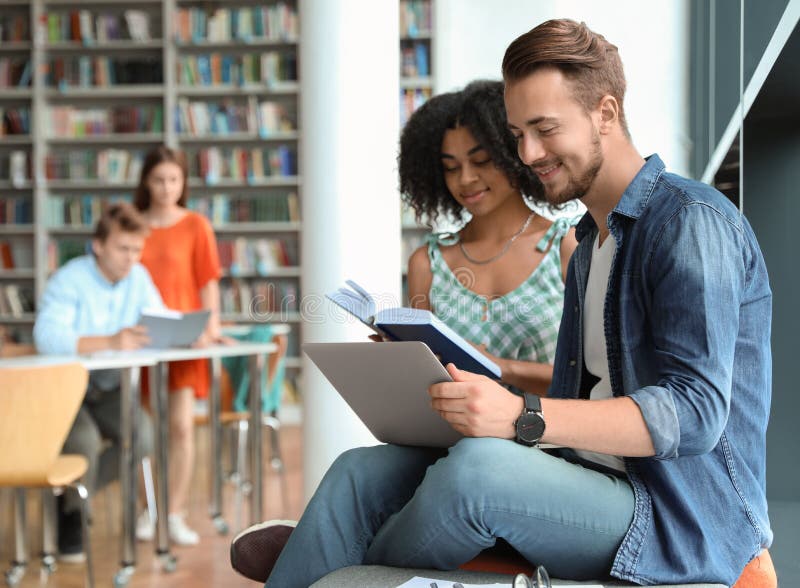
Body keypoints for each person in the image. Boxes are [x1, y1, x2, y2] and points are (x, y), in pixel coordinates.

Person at [230, 18, 773, 587]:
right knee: (355, 471)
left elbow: (695, 414)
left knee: (477, 472)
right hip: (584, 475)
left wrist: (521, 416)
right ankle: (331, 550)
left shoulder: (691, 223)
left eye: (544, 128)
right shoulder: (592, 245)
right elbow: (576, 400)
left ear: (605, 114)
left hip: (675, 516)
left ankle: (339, 558)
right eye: (518, 134)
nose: (529, 153)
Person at [402, 80, 578, 395]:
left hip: (543, 431)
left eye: (481, 161)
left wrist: (497, 366)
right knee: (357, 450)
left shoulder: (565, 246)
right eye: (450, 168)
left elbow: (594, 376)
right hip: (451, 431)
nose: (466, 179)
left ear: (514, 153)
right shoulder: (428, 263)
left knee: (476, 450)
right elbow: (422, 382)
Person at [33, 202, 160, 562]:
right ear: (99, 245)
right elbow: (46, 337)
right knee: (84, 441)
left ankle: (71, 492)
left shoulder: (139, 279)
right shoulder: (69, 279)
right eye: (123, 248)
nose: (131, 258)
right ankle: (72, 515)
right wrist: (110, 341)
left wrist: (179, 331)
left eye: (137, 250)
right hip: (65, 388)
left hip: (108, 387)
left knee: (143, 436)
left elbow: (158, 318)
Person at [132, 146, 225, 546]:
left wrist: (212, 325)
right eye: (158, 179)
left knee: (182, 428)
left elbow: (208, 280)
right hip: (141, 340)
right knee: (142, 432)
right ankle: (146, 508)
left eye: (173, 179)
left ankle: (174, 513)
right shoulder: (132, 224)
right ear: (145, 182)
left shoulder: (196, 225)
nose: (166, 188)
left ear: (183, 183)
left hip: (186, 339)